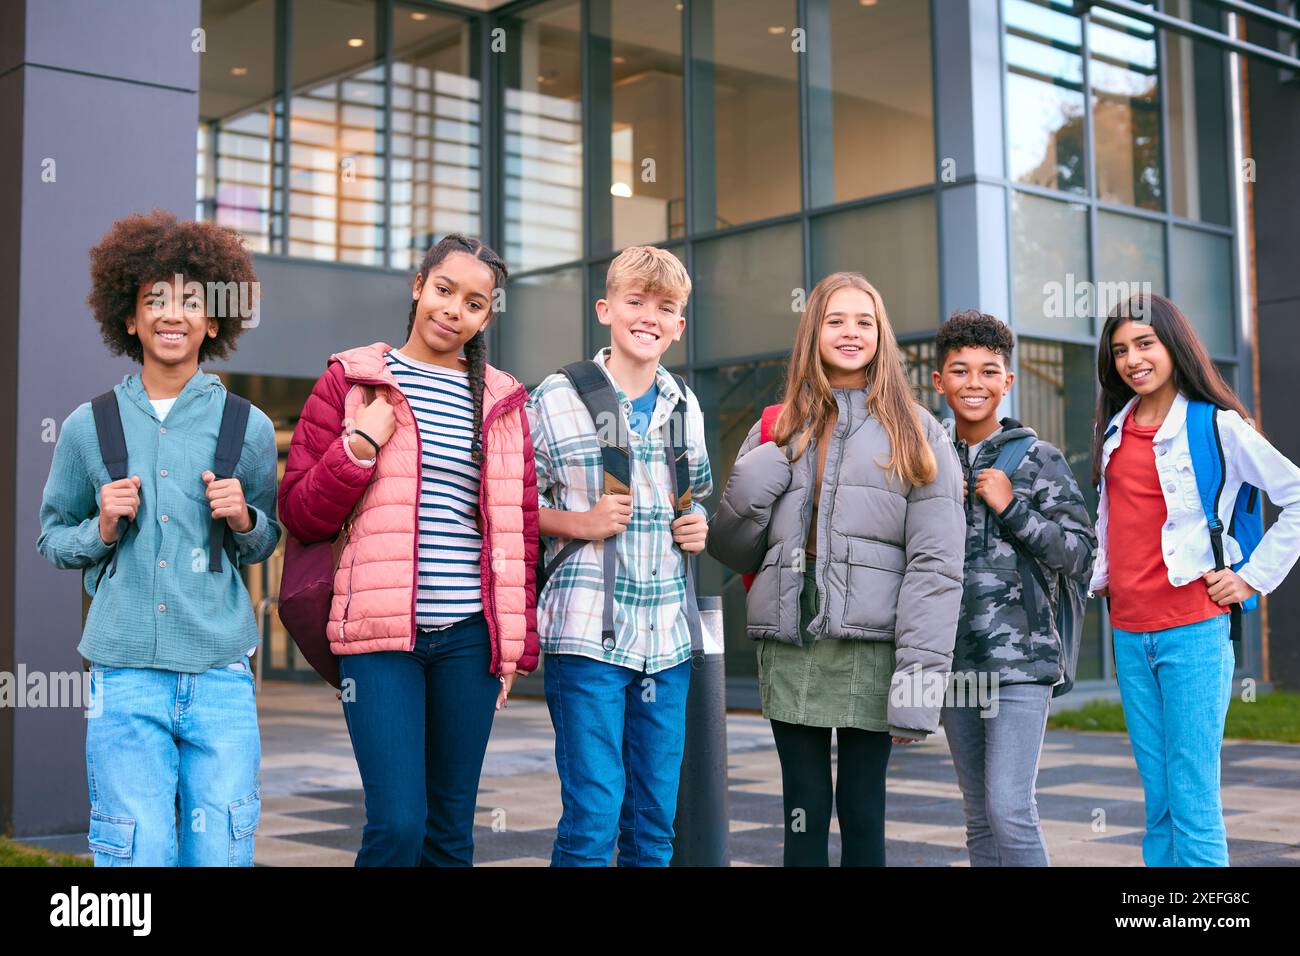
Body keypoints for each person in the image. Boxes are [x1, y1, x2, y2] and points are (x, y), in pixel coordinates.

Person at [277, 233, 539, 866]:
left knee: (450, 833)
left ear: (487, 315)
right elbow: (301, 512)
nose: (454, 310)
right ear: (418, 286)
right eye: (444, 290)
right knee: (396, 823)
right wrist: (357, 448)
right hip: (380, 636)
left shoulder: (503, 401)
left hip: (471, 641)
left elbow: (521, 531)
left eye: (475, 303)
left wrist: (512, 646)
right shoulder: (354, 380)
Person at [37, 210, 280, 866]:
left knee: (222, 852)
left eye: (190, 302)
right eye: (155, 301)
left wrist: (244, 520)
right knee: (135, 854)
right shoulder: (89, 426)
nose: (172, 315)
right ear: (129, 318)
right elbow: (52, 539)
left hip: (220, 677)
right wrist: (103, 526)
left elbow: (266, 540)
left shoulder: (247, 426)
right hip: (125, 680)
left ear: (213, 320)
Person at [708, 271, 964, 866]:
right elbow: (733, 550)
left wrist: (919, 689)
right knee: (801, 808)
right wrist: (753, 481)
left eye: (864, 321)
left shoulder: (918, 430)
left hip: (874, 647)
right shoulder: (775, 425)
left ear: (882, 334)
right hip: (794, 640)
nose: (851, 333)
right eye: (835, 320)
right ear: (812, 331)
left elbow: (936, 567)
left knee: (863, 810)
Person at [1092, 292, 1300, 866]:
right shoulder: (1114, 429)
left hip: (1193, 629)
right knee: (1157, 795)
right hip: (1130, 633)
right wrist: (1105, 573)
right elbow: (1118, 520)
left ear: (1173, 345)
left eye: (1144, 343)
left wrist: (1253, 579)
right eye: (1119, 350)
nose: (1132, 359)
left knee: (1192, 793)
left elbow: (1295, 493)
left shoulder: (1216, 425)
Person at [527, 245, 712, 866]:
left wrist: (699, 524)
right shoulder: (556, 396)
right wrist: (577, 522)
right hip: (586, 637)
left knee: (655, 821)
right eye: (636, 301)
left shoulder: (685, 405)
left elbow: (697, 495)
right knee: (594, 817)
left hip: (668, 639)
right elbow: (509, 509)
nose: (649, 316)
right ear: (606, 308)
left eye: (665, 307)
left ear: (679, 325)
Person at [932, 309, 1095, 866]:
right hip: (953, 663)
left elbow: (1080, 556)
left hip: (1021, 661)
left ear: (1008, 380)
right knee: (978, 817)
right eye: (960, 371)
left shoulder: (1038, 458)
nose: (973, 383)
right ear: (939, 381)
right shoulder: (928, 463)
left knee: (1009, 807)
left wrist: (1011, 506)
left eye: (988, 371)